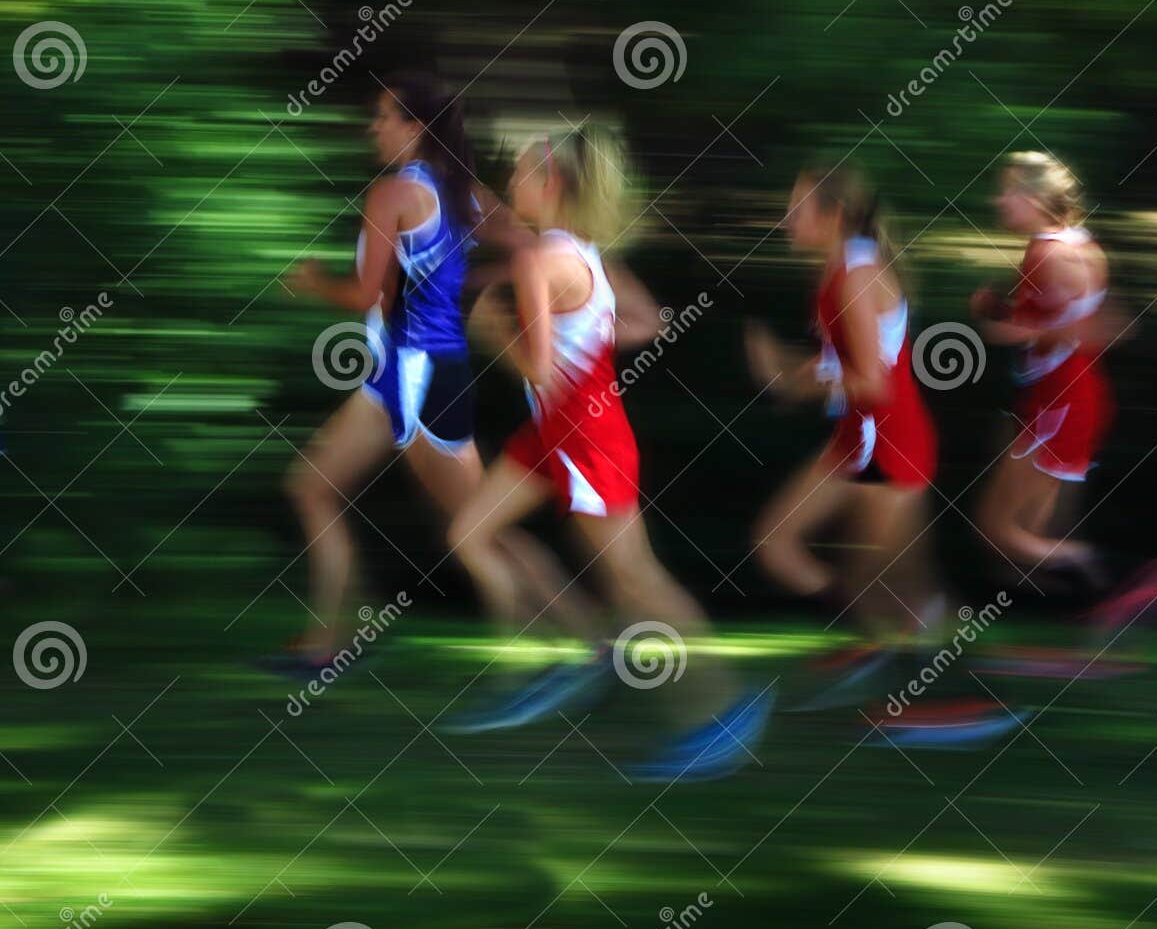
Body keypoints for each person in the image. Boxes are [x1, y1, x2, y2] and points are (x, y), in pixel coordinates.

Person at [445, 124, 770, 779]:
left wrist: (487, 331)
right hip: (554, 433)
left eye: (521, 175)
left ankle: (720, 710)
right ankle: (567, 660)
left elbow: (535, 368)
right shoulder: (578, 250)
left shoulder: (540, 260)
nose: (512, 186)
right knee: (471, 532)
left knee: (634, 580)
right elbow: (611, 329)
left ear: (552, 183)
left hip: (584, 439)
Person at [274, 70, 542, 675]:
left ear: (414, 128)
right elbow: (528, 249)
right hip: (403, 374)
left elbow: (367, 294)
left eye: (383, 118)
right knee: (312, 486)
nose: (373, 128)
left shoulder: (393, 194)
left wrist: (316, 282)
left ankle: (573, 643)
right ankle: (329, 638)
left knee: (478, 525)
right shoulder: (463, 191)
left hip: (414, 376)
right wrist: (468, 284)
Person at [745, 163, 943, 703]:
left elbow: (873, 386)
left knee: (885, 589)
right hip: (858, 442)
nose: (786, 220)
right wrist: (785, 370)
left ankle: (918, 685)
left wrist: (789, 381)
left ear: (833, 215)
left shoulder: (855, 276)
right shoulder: (838, 271)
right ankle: (886, 652)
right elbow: (844, 368)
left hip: (890, 446)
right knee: (777, 545)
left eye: (798, 209)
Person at [971, 151, 1157, 630]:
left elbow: (1063, 330)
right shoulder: (1081, 244)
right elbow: (1070, 321)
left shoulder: (1046, 251)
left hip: (1059, 400)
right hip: (1069, 396)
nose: (999, 200)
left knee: (998, 530)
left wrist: (990, 317)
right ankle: (1092, 615)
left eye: (1008, 191)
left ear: (1036, 197)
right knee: (1031, 535)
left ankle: (1128, 580)